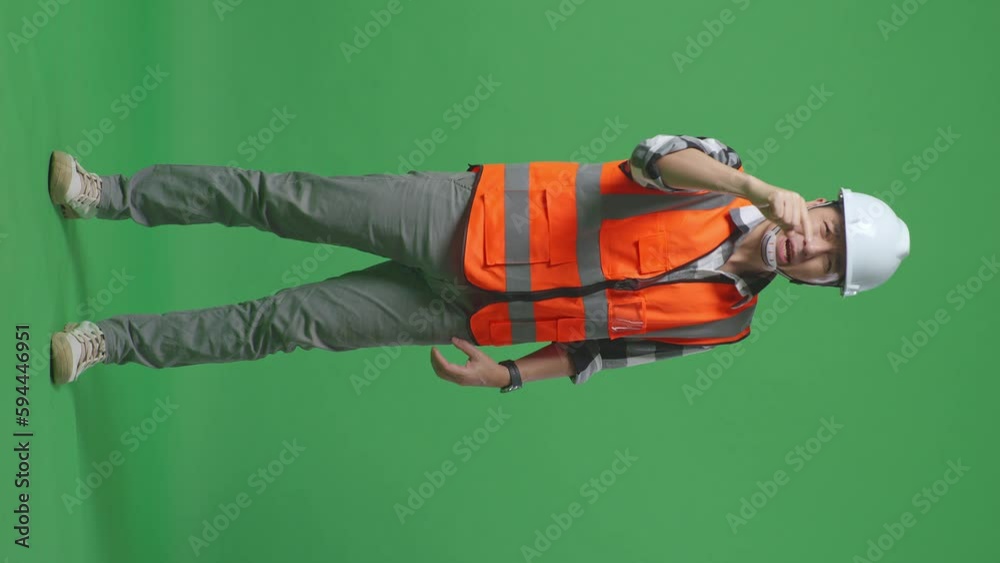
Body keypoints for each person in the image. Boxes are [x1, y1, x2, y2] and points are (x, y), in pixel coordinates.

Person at [47, 134, 910, 390]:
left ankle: (106, 342)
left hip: (469, 315)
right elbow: (652, 154)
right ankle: (107, 194)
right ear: (822, 206)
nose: (814, 245)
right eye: (828, 227)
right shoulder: (719, 174)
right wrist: (758, 185)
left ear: (817, 284)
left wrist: (504, 380)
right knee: (285, 198)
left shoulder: (726, 324)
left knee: (284, 325)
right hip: (463, 218)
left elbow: (601, 350)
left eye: (828, 262)